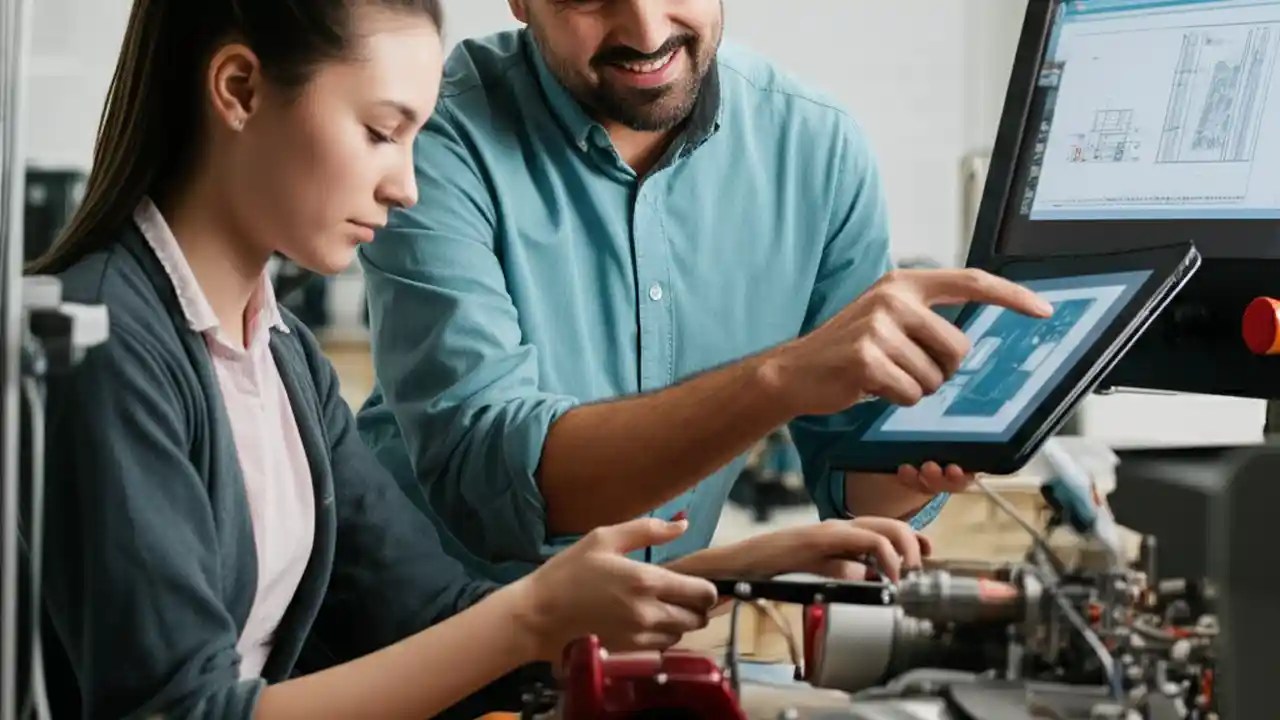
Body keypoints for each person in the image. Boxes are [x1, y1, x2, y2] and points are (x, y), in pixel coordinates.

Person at [26, 2, 740, 718]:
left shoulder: (281, 358)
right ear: (240, 88)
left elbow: (431, 613)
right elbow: (181, 711)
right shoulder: (105, 342)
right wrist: (533, 618)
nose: (406, 186)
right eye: (380, 132)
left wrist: (729, 577)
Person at [355, 0, 1053, 581]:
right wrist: (782, 379)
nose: (647, 32)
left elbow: (856, 477)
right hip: (413, 654)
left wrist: (932, 442)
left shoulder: (816, 147)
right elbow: (495, 480)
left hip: (644, 657)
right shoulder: (433, 134)